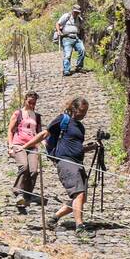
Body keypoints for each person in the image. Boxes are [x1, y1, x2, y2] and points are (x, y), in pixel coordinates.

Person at [45, 97, 93, 236]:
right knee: (79, 194)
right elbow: (44, 134)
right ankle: (80, 228)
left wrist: (90, 148)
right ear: (74, 108)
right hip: (65, 161)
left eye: (86, 112)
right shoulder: (63, 119)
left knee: (80, 199)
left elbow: (75, 147)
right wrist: (24, 147)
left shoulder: (80, 127)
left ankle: (54, 218)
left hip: (78, 162)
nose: (84, 114)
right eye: (82, 111)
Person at [7, 91, 46, 213]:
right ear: (25, 100)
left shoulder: (37, 116)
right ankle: (18, 192)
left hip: (32, 145)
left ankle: (27, 194)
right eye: (30, 102)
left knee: (34, 170)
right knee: (24, 167)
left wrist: (44, 144)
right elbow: (10, 130)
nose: (32, 104)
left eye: (34, 102)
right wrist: (10, 145)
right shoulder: (18, 113)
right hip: (19, 144)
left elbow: (39, 133)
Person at [55, 9, 85, 76]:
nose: (76, 13)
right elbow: (58, 23)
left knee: (82, 50)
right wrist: (59, 31)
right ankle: (66, 70)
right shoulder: (66, 16)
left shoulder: (79, 19)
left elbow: (81, 28)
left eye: (78, 12)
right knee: (68, 54)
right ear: (72, 11)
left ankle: (79, 67)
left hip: (76, 38)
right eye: (75, 12)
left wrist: (82, 37)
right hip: (67, 38)